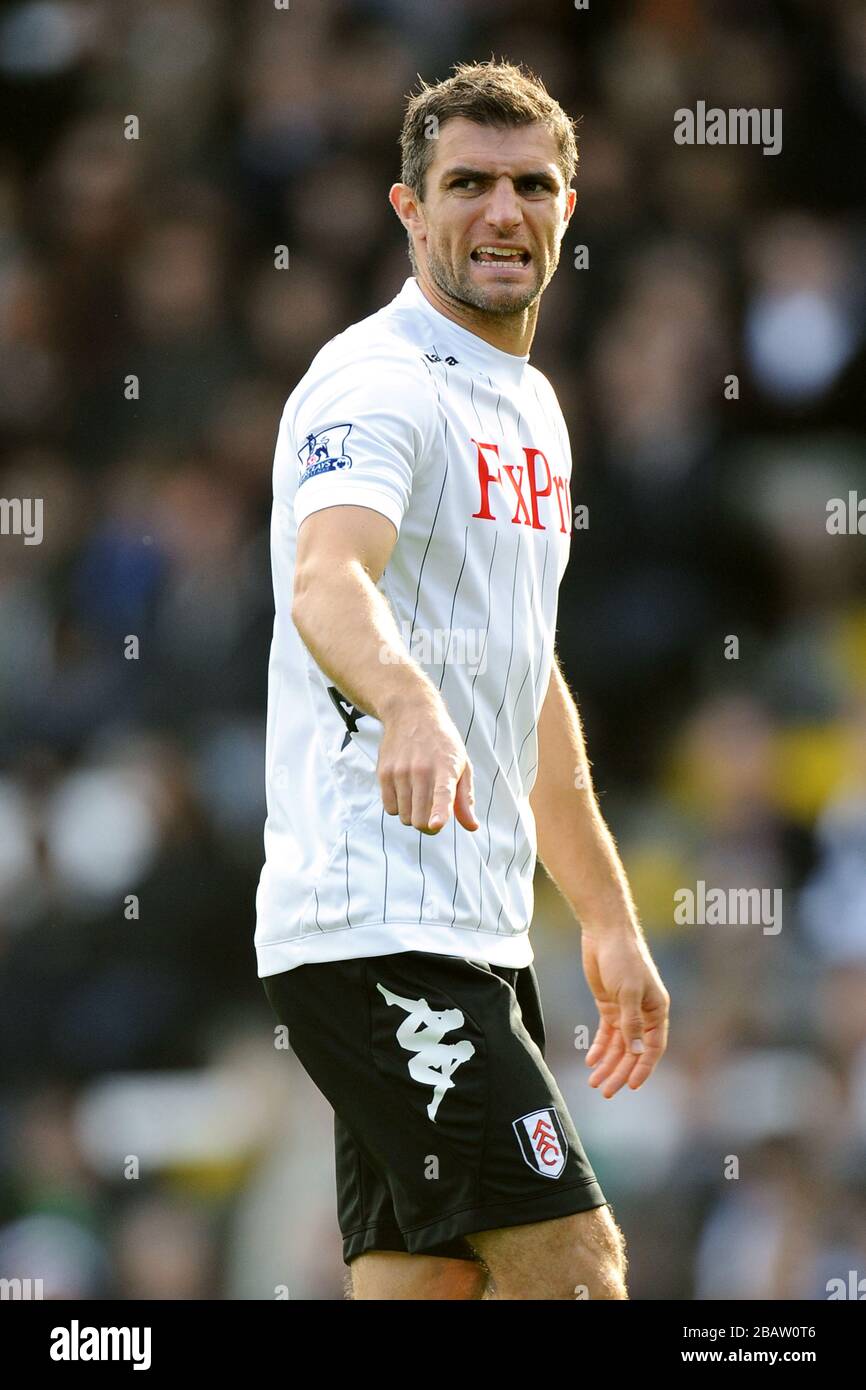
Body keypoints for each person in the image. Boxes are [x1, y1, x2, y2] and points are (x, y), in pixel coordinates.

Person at [255, 58, 670, 1301]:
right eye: (467, 184)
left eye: (530, 184)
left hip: (471, 935)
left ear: (566, 211)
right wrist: (410, 702)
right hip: (377, 928)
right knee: (576, 1276)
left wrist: (600, 912)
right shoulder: (374, 380)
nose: (502, 211)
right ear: (407, 209)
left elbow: (522, 675)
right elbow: (328, 578)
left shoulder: (533, 405)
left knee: (430, 1292)